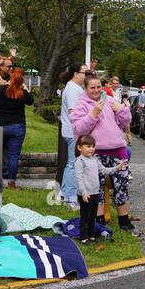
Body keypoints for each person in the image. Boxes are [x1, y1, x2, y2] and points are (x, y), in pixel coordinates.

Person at [70, 73, 139, 236]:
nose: (96, 90)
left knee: (122, 185)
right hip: (96, 152)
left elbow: (126, 121)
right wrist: (92, 114)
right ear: (85, 89)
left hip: (117, 149)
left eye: (98, 87)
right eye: (92, 88)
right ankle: (98, 220)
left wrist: (121, 109)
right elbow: (79, 130)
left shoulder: (109, 100)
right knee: (96, 187)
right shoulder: (81, 104)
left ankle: (124, 221)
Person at [75, 134, 126, 243]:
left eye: (93, 146)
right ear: (79, 148)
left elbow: (104, 171)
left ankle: (92, 236)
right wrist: (83, 192)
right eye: (88, 146)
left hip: (95, 193)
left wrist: (117, 168)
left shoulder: (94, 160)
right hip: (85, 194)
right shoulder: (80, 161)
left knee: (93, 216)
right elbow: (79, 178)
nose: (91, 149)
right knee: (85, 216)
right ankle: (84, 238)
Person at [0, 67, 33, 189]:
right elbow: (31, 101)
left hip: (1, 125)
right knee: (14, 155)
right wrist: (24, 88)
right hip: (17, 126)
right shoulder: (23, 93)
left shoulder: (2, 90)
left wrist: (3, 84)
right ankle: (11, 182)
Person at [57, 63, 86, 209]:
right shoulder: (73, 89)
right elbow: (74, 113)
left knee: (72, 163)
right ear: (76, 73)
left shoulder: (74, 87)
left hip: (73, 131)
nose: (86, 76)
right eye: (84, 73)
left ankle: (64, 194)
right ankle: (69, 198)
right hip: (73, 131)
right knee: (73, 164)